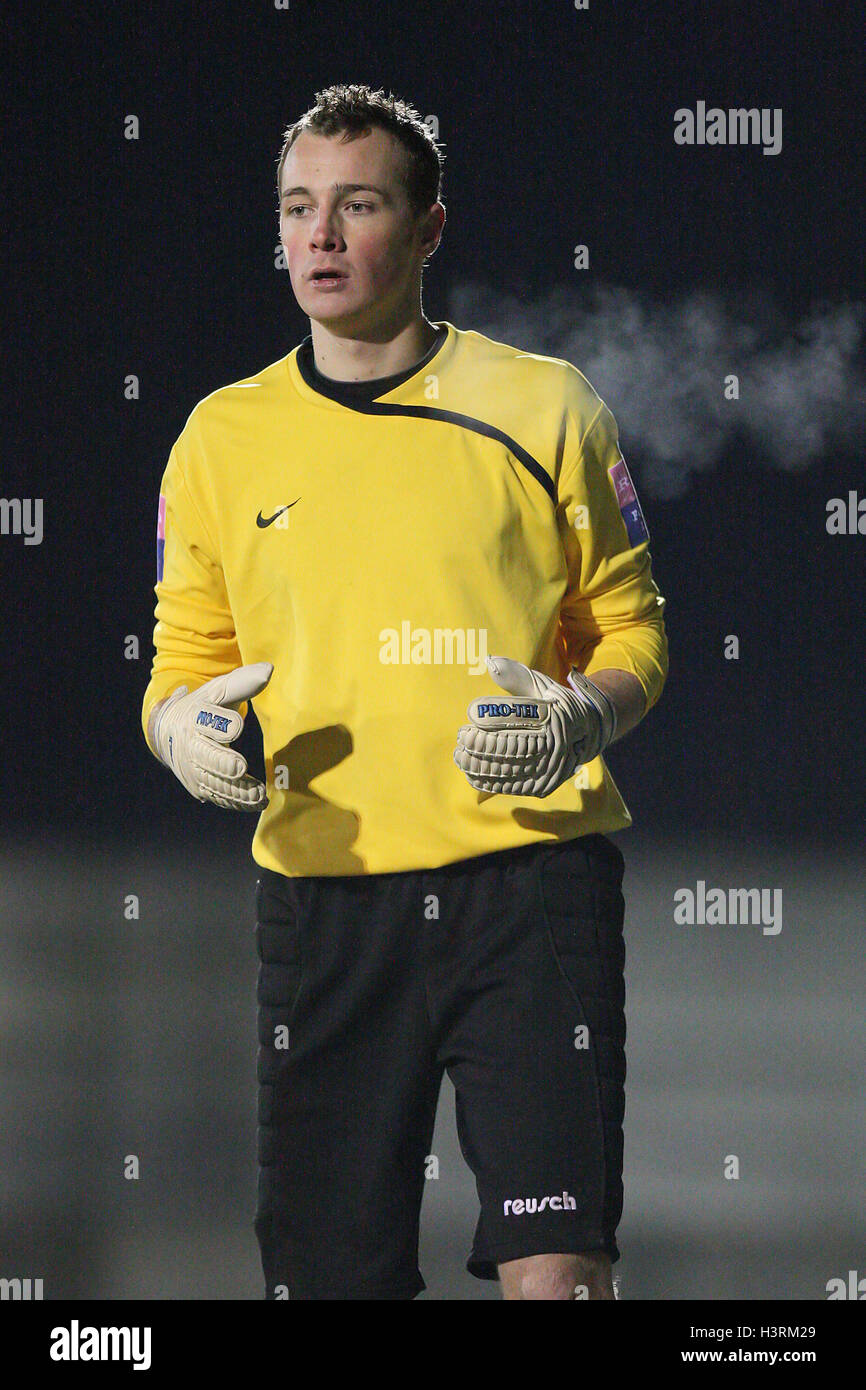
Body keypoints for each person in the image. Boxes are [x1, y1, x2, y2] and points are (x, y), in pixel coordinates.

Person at [141, 82, 668, 1301]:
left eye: (357, 205)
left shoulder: (544, 406)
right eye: (296, 208)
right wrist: (179, 731)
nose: (319, 237)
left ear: (428, 231)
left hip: (530, 889)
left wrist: (585, 712)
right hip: (322, 904)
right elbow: (181, 657)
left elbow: (633, 632)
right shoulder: (220, 438)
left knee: (561, 1279)